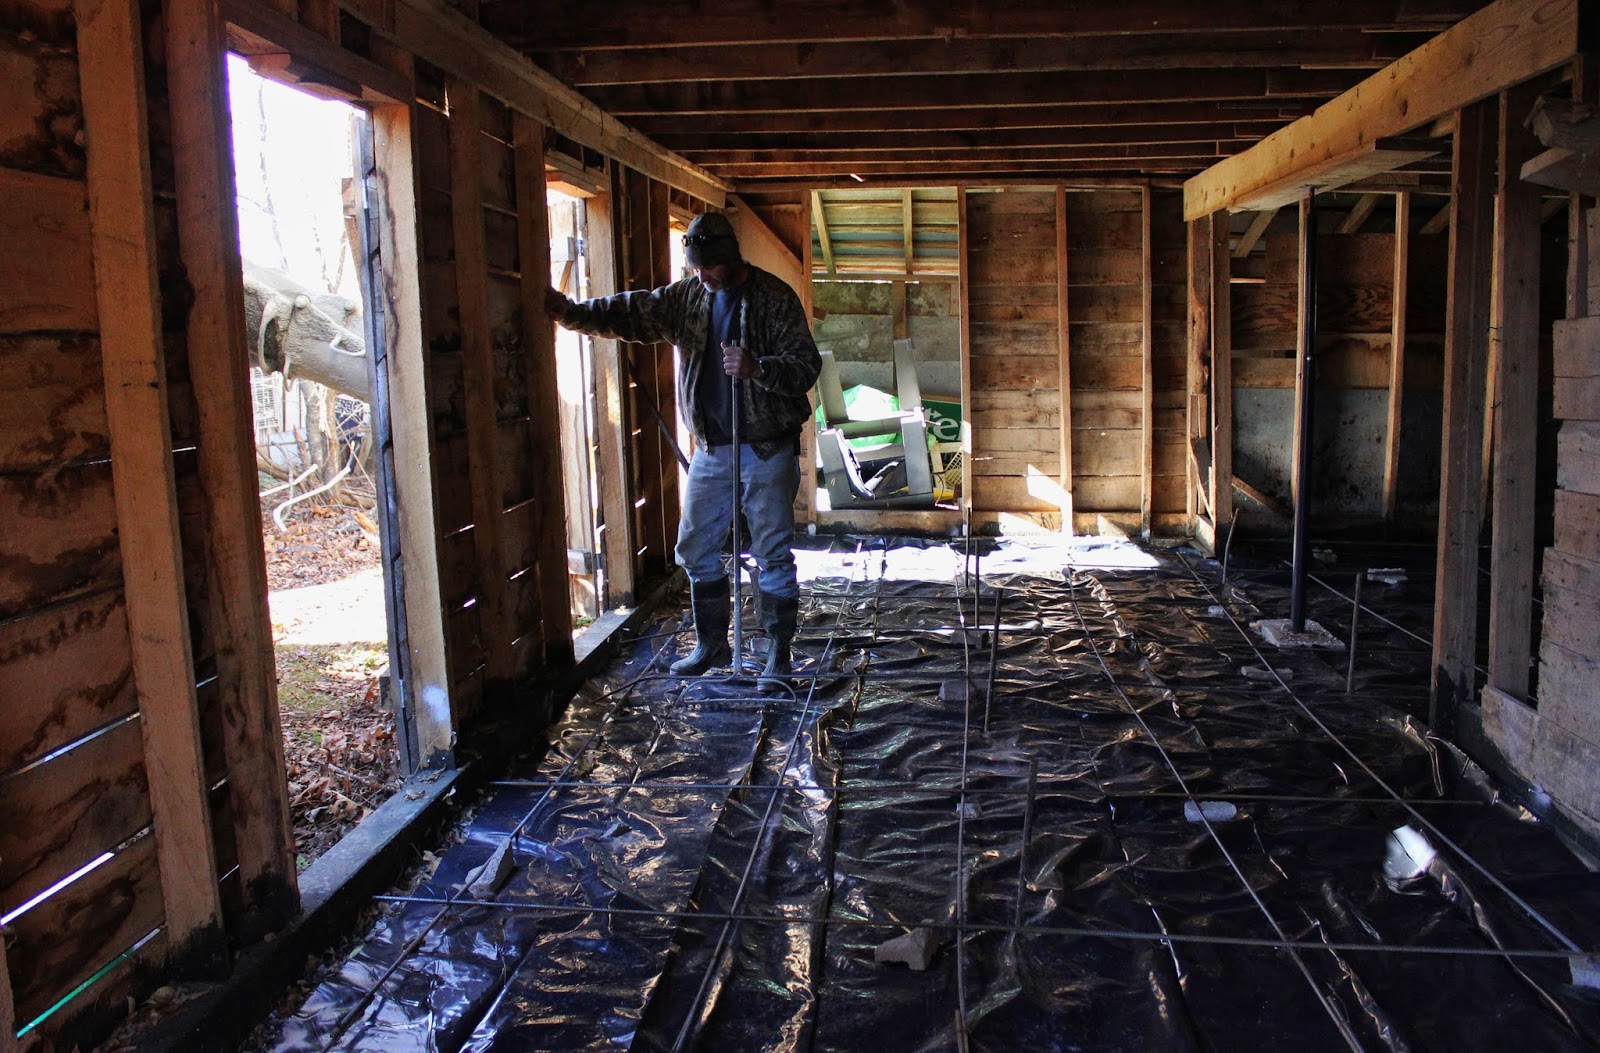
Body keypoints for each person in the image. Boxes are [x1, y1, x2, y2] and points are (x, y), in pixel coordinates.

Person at [546, 211, 821, 692]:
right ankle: (713, 645)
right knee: (693, 549)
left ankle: (778, 657)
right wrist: (568, 313)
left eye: (709, 266)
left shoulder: (774, 299)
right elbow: (631, 310)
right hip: (713, 451)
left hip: (765, 447)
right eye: (695, 267)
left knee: (772, 553)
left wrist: (761, 368)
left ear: (730, 257)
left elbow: (806, 366)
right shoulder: (688, 297)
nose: (702, 275)